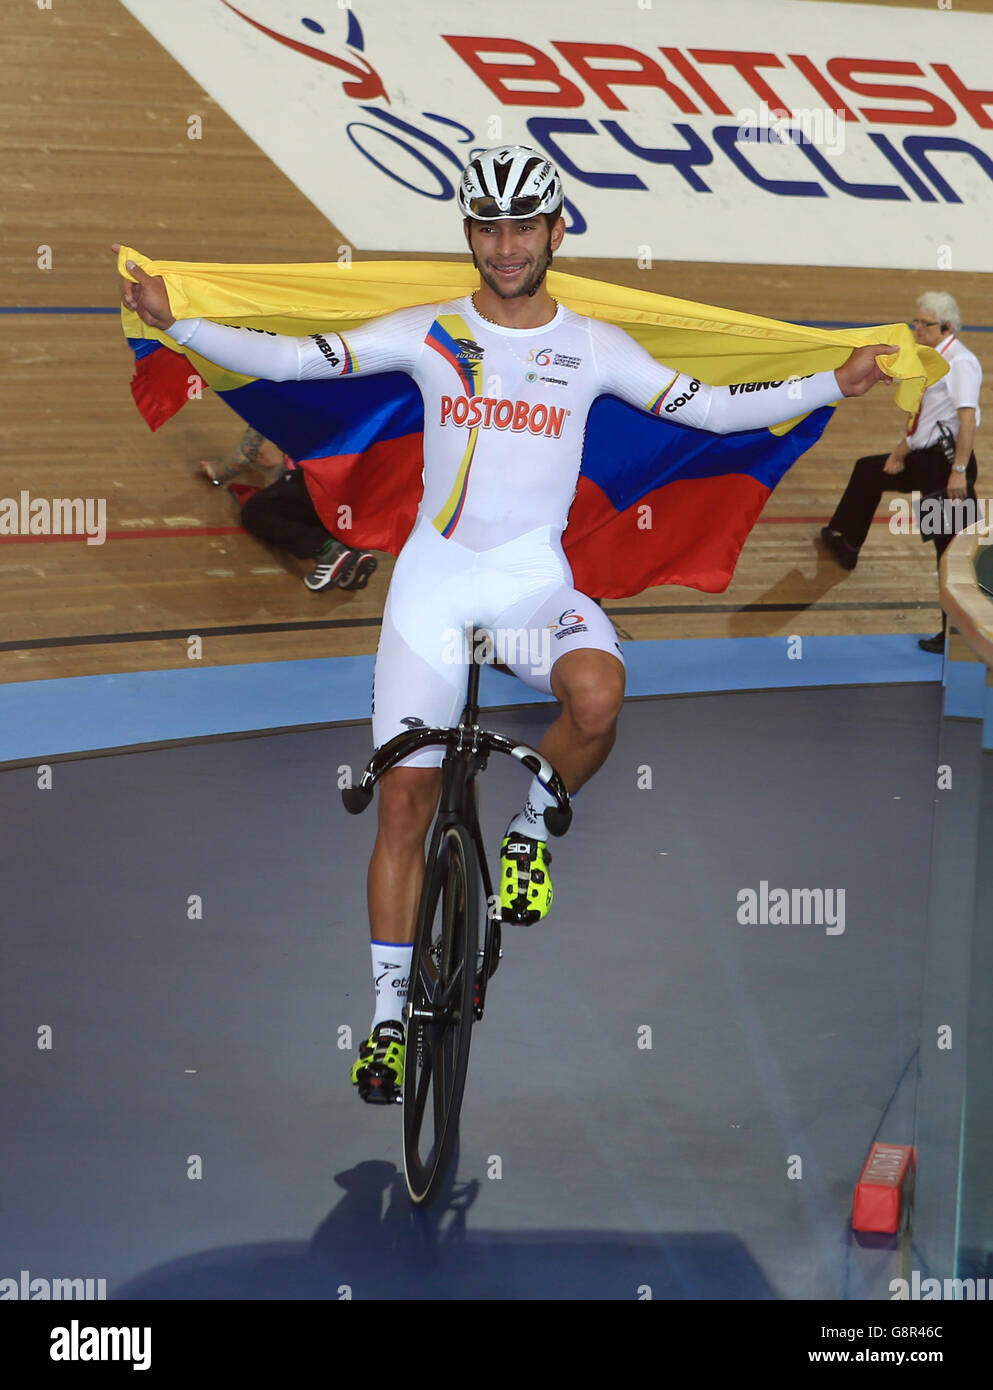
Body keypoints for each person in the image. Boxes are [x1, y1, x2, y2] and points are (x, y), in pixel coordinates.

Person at [117, 145, 897, 1104]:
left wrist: (833, 383)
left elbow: (713, 410)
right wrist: (180, 321)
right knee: (403, 804)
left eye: (522, 225)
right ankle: (389, 1022)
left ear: (555, 229)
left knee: (600, 697)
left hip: (532, 587)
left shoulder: (595, 346)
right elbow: (294, 358)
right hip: (434, 589)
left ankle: (530, 831)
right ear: (470, 236)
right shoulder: (428, 330)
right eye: (487, 227)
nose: (505, 244)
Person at [819, 292, 981, 652]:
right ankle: (847, 543)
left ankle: (958, 636)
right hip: (925, 459)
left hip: (947, 465)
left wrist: (958, 472)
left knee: (950, 550)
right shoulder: (933, 357)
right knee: (869, 471)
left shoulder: (961, 362)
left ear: (947, 327)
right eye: (916, 321)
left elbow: (966, 421)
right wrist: (901, 451)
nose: (917, 328)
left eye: (924, 323)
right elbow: (929, 418)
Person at [198, 425, 378, 591]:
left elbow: (243, 455)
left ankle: (327, 550)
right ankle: (355, 548)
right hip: (359, 489)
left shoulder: (273, 392)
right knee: (317, 501)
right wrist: (279, 463)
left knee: (256, 511)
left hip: (319, 481)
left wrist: (217, 472)